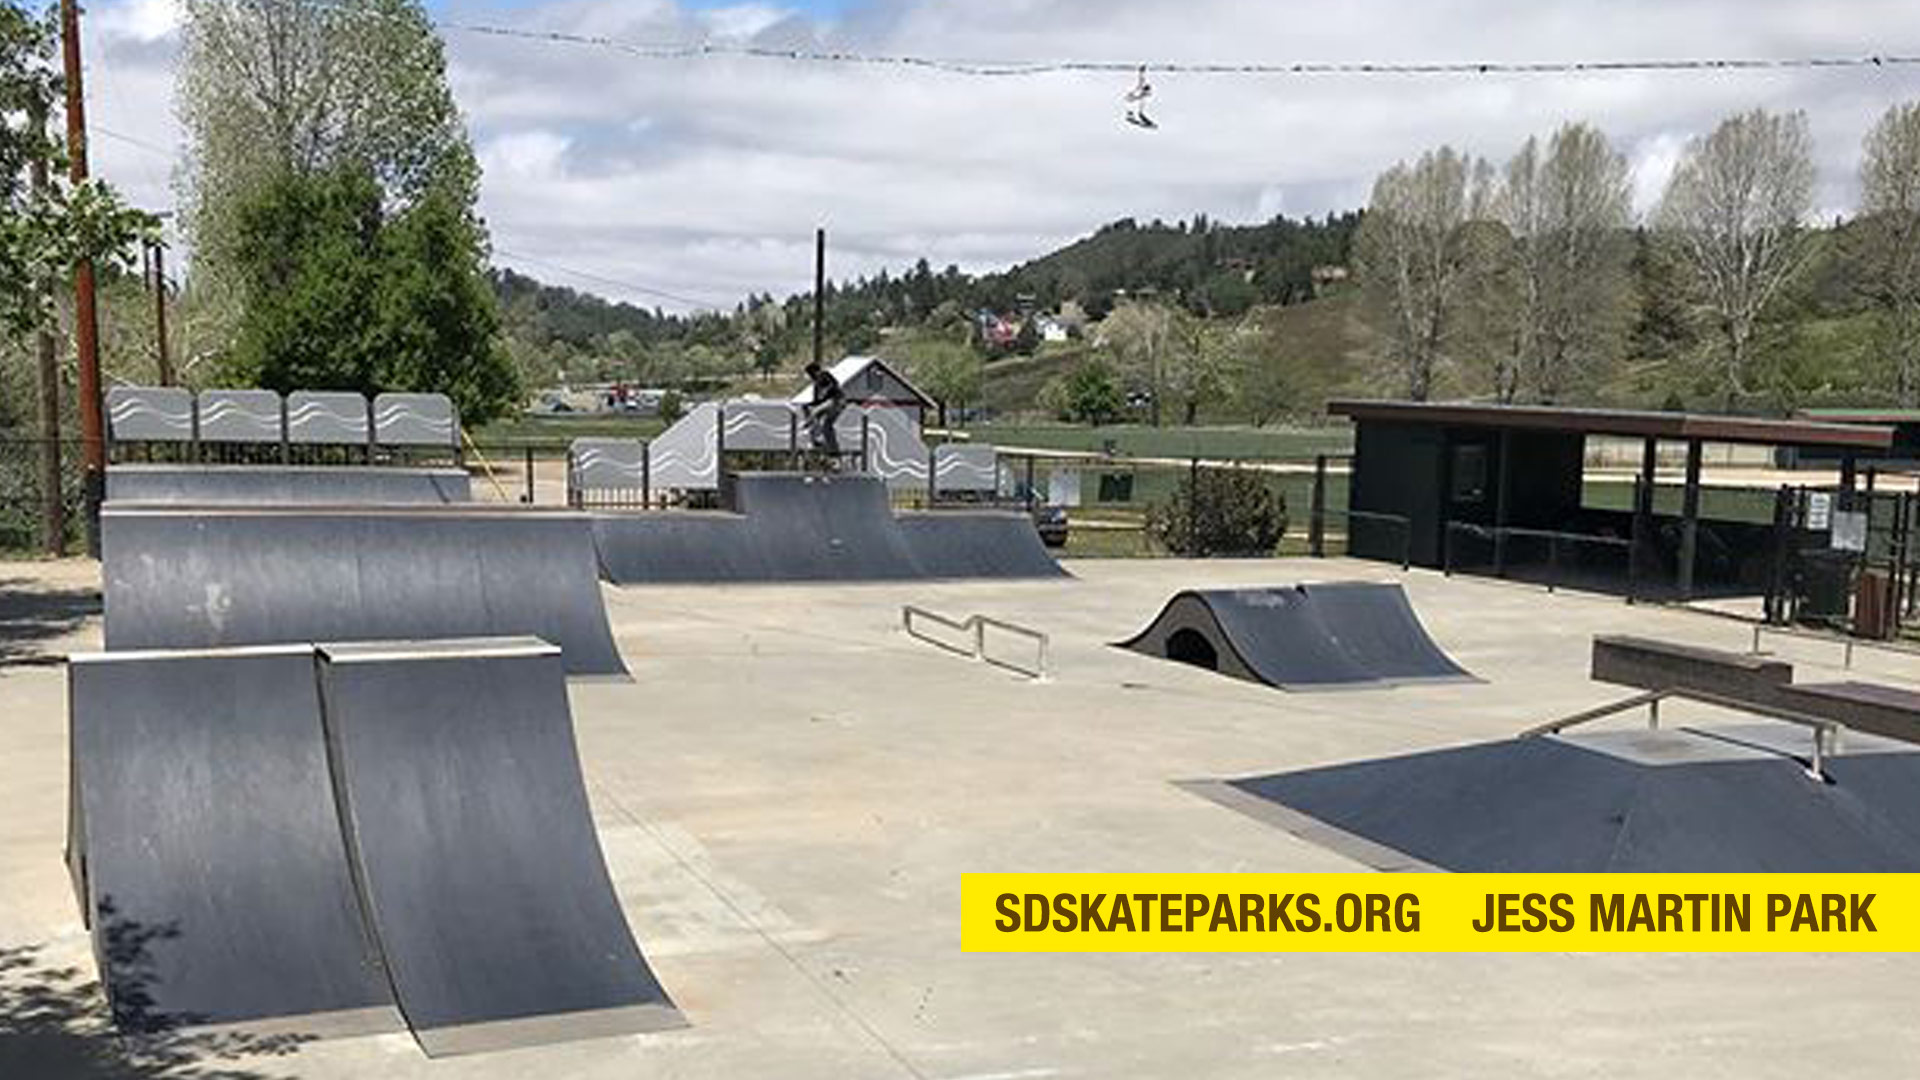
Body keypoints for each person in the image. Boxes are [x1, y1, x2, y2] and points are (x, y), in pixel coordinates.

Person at [801, 360, 847, 458]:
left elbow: (834, 385)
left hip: (836, 401)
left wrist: (826, 389)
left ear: (816, 372)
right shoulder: (816, 386)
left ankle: (816, 434)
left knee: (816, 413)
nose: (812, 378)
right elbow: (816, 401)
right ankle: (831, 449)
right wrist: (807, 407)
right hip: (829, 404)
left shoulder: (824, 376)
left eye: (812, 375)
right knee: (827, 426)